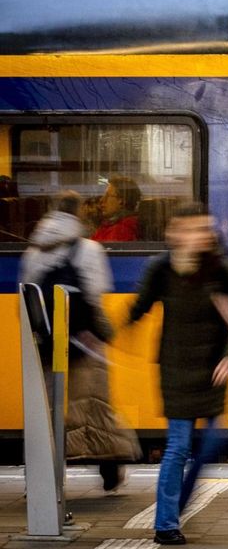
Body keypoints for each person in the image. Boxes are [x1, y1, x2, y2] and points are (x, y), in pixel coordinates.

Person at [128, 203, 228, 546]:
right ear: (176, 233)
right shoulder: (161, 270)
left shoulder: (220, 270)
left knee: (210, 447)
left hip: (213, 372)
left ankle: (176, 504)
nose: (202, 236)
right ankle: (166, 523)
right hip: (177, 370)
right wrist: (107, 331)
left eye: (205, 229)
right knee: (178, 448)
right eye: (194, 229)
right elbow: (140, 307)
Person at [20, 191, 140, 492]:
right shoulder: (88, 249)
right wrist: (106, 335)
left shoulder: (32, 251)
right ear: (79, 215)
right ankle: (109, 468)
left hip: (46, 343)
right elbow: (95, 296)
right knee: (96, 405)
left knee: (46, 411)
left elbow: (27, 299)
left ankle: (42, 480)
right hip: (84, 342)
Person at [92, 176, 141, 242]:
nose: (101, 200)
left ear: (121, 201)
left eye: (107, 196)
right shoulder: (109, 225)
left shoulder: (122, 230)